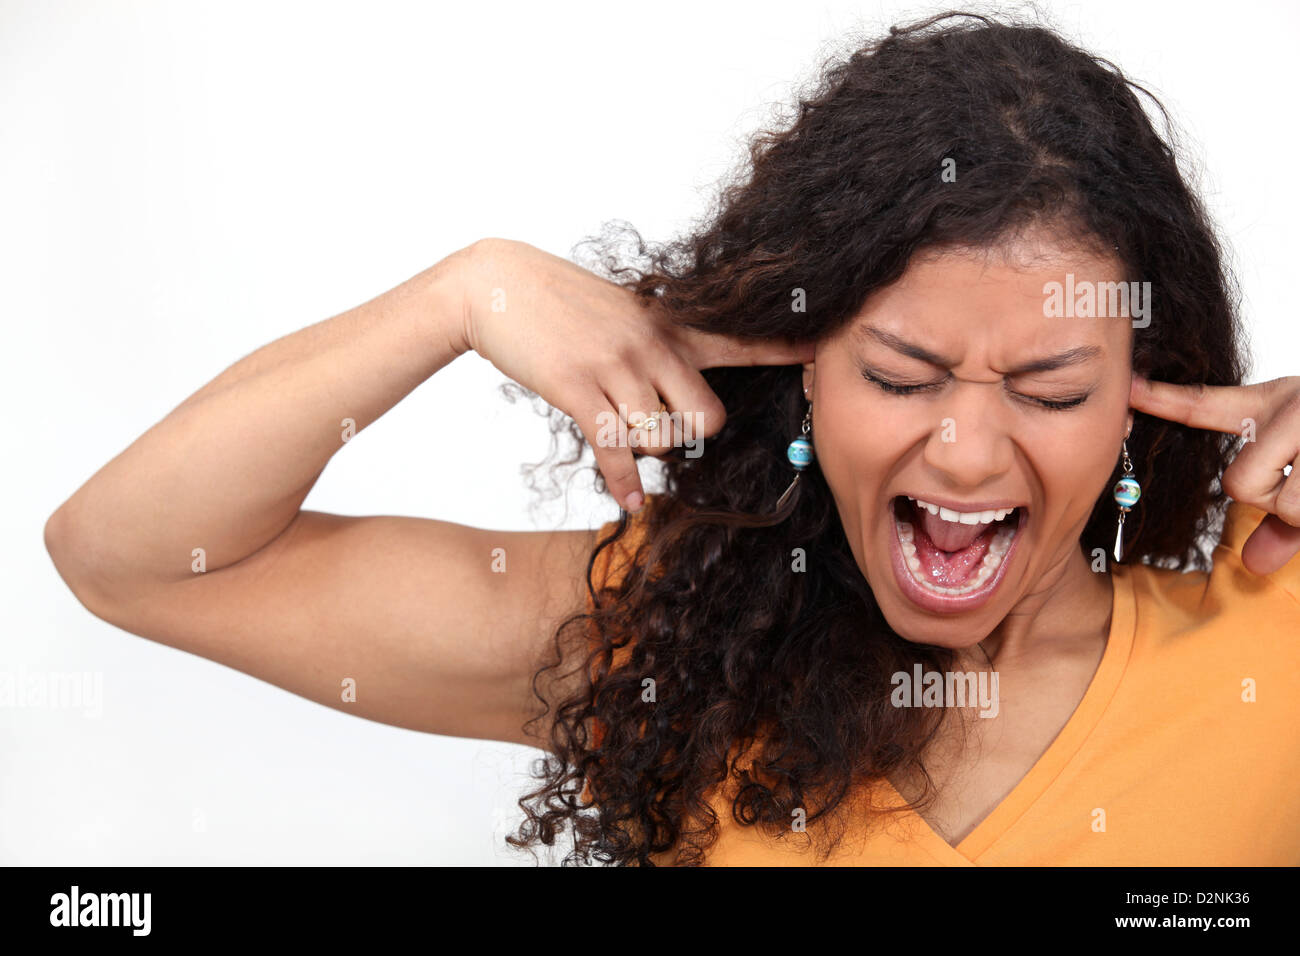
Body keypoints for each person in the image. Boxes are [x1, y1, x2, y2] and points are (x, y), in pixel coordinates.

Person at [44, 10, 1300, 866]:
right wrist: (455, 296)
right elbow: (135, 556)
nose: (967, 453)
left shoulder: (1273, 646)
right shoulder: (668, 639)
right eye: (900, 372)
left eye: (1049, 388)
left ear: (1148, 391)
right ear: (796, 366)